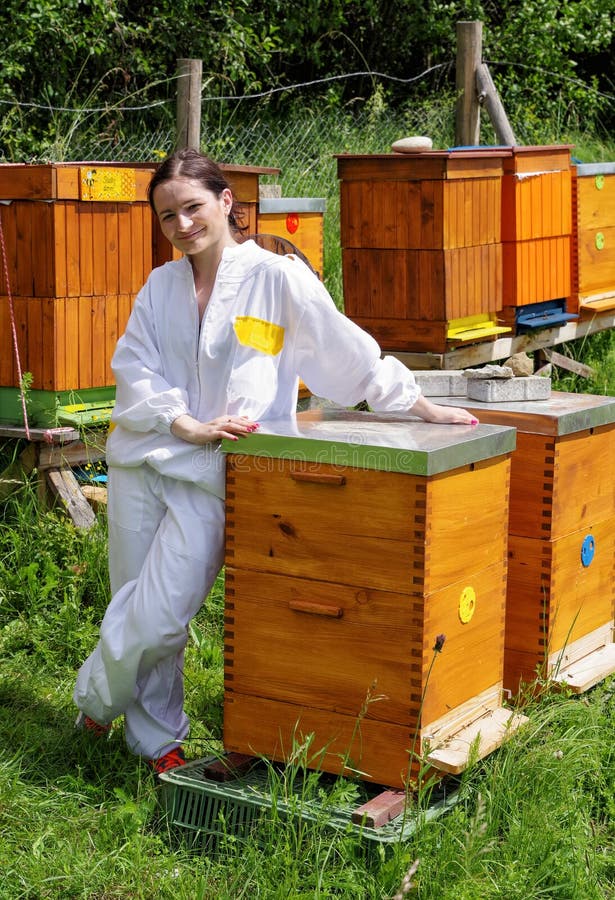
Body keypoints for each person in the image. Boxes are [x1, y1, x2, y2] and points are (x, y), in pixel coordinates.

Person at [73, 148, 479, 776]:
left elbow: (347, 352)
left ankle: (97, 697)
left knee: (159, 613)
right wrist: (182, 420)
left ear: (225, 201)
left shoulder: (276, 278)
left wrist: (418, 403)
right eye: (168, 217)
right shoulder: (160, 286)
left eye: (192, 208)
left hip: (222, 471)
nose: (182, 226)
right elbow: (134, 365)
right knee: (133, 597)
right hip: (143, 457)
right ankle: (155, 740)